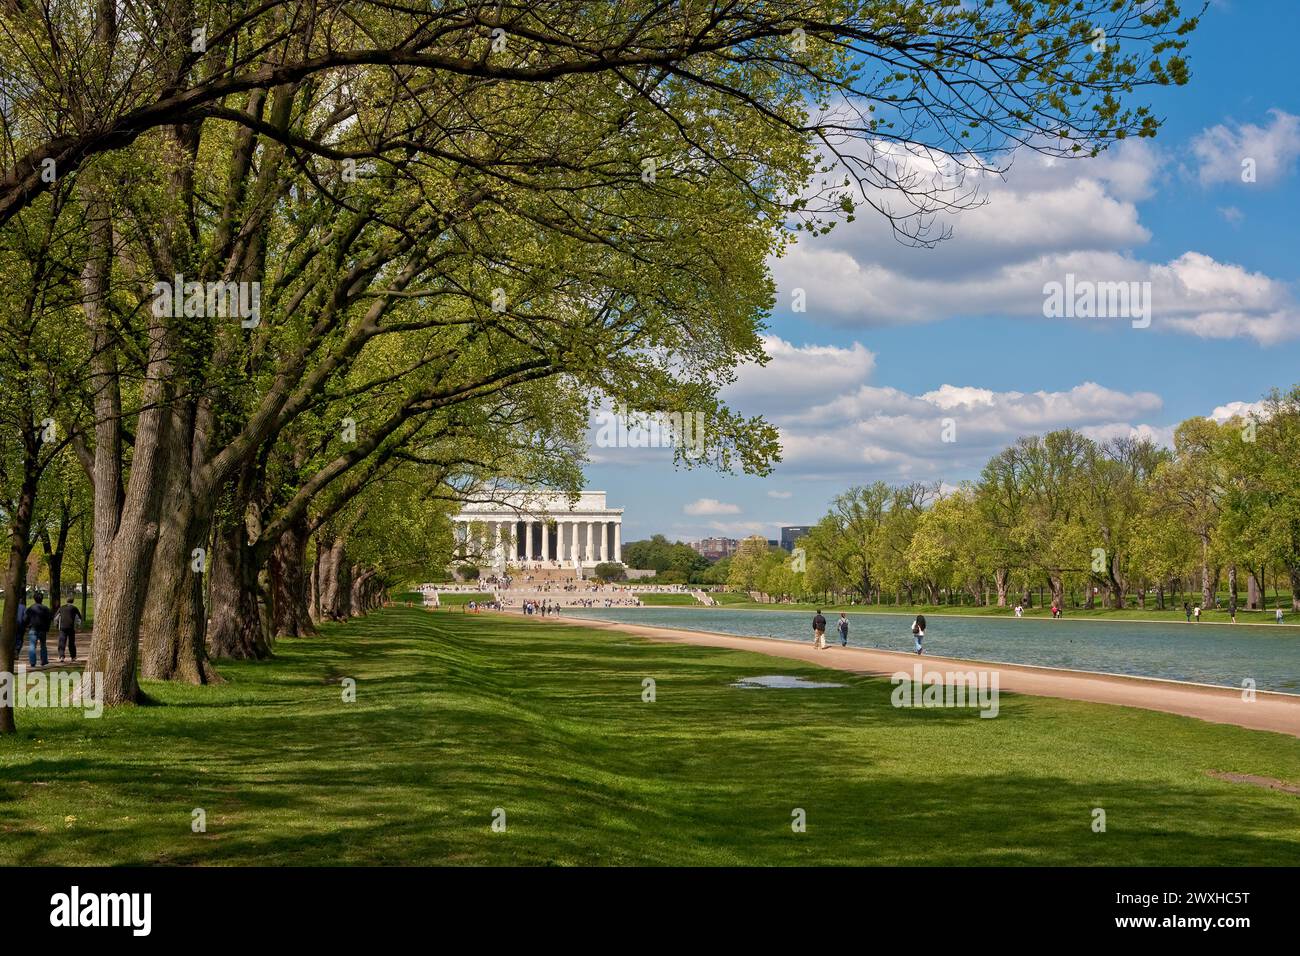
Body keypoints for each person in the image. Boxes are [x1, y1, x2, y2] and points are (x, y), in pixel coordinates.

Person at [25, 591, 54, 668]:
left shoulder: (30, 608)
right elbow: (50, 618)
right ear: (42, 599)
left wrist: (27, 625)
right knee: (43, 645)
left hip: (33, 628)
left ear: (34, 599)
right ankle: (44, 661)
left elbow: (25, 619)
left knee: (32, 646)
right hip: (43, 629)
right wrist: (47, 627)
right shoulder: (46, 609)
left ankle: (32, 662)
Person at [55, 598, 82, 662]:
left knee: (62, 642)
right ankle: (73, 657)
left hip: (62, 627)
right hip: (71, 627)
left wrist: (56, 625)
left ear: (66, 601)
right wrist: (79, 626)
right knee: (71, 642)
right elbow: (78, 618)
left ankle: (61, 656)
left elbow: (56, 618)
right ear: (73, 601)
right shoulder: (74, 608)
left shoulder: (61, 608)